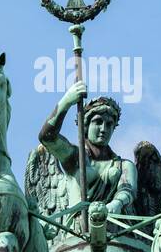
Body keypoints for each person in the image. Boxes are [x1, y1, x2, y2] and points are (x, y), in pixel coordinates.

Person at [40, 81, 136, 214]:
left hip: (113, 228)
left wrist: (117, 203)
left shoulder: (123, 166)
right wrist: (66, 101)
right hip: (76, 230)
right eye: (98, 122)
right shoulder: (75, 157)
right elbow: (47, 137)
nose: (103, 129)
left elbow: (127, 189)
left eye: (109, 124)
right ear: (86, 126)